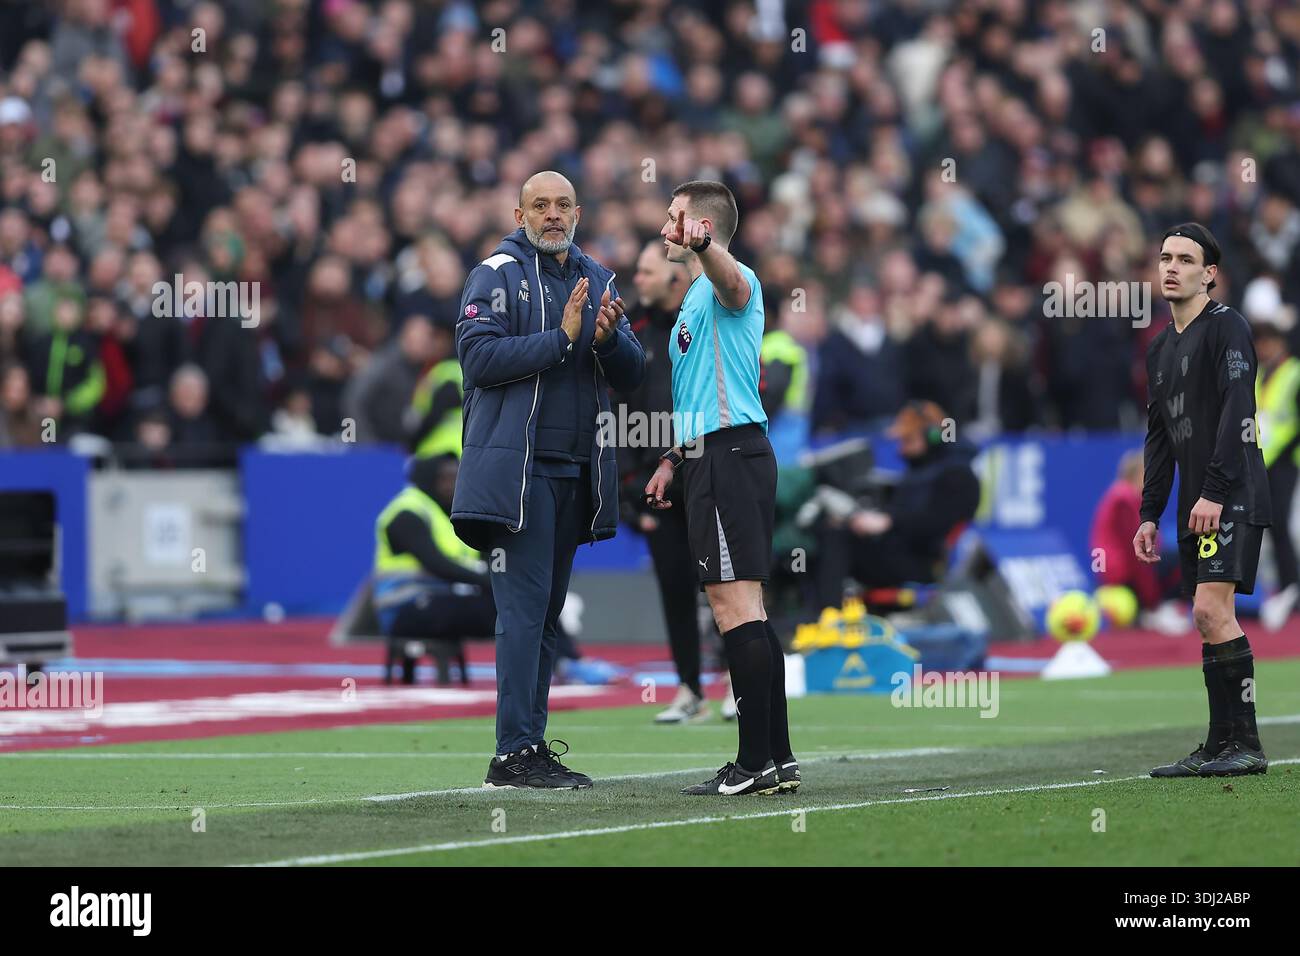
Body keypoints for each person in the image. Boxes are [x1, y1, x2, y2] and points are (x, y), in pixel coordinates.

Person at [451, 171, 645, 790]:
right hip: (518, 472)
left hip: (576, 469)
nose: (553, 215)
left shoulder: (600, 276)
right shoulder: (496, 273)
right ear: (520, 212)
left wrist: (610, 343)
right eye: (541, 206)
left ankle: (528, 747)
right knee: (524, 613)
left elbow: (634, 375)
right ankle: (513, 752)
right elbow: (477, 359)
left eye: (563, 205)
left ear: (578, 211)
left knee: (547, 616)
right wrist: (560, 340)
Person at [644, 180, 795, 796]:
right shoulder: (696, 300)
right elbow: (700, 398)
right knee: (750, 612)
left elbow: (736, 284)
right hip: (715, 454)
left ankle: (752, 762)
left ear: (702, 224)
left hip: (731, 457)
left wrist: (706, 247)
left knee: (733, 610)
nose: (664, 226)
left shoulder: (731, 281)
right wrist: (674, 459)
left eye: (674, 216)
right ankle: (777, 758)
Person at [1136, 223, 1270, 778]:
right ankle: (1221, 744)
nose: (1170, 267)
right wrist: (1149, 512)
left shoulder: (1227, 328)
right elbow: (1160, 435)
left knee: (1213, 610)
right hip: (1198, 502)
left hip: (1231, 491)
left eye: (1184, 259)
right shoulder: (1160, 349)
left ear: (1208, 274)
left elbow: (1241, 408)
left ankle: (1246, 745)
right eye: (1164, 257)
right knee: (1206, 616)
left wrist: (1215, 490)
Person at [614, 240, 708, 723]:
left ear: (675, 278)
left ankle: (738, 683)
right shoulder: (633, 331)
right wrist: (629, 483)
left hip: (709, 470)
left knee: (725, 585)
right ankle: (690, 688)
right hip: (658, 484)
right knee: (674, 586)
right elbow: (618, 408)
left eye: (647, 272)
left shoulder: (706, 316)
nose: (640, 280)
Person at [813, 401, 980, 608]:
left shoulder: (958, 475)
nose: (902, 448)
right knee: (828, 529)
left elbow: (935, 523)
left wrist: (888, 521)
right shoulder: (920, 471)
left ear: (933, 436)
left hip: (924, 563)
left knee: (838, 539)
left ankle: (827, 616)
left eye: (908, 440)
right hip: (900, 551)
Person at [373, 454, 494, 646]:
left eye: (457, 477)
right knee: (496, 610)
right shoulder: (407, 512)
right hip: (403, 605)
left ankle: (553, 661)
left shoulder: (446, 514)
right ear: (428, 478)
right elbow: (438, 565)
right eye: (445, 478)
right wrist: (493, 583)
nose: (452, 485)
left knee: (508, 606)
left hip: (443, 598)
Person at [1089, 449, 1187, 634]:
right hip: (1120, 576)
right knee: (1184, 560)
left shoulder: (1120, 495)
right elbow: (1136, 552)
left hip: (1116, 572)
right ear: (1141, 473)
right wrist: (1153, 603)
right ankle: (1157, 611)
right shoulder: (1124, 499)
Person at [1252, 316, 1300, 629]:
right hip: (1262, 459)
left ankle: (1290, 586)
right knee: (1270, 524)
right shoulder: (1259, 374)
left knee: (1284, 524)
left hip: (1288, 459)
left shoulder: (1294, 372)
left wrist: (1283, 449)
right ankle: (1283, 587)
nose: (1263, 348)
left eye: (1267, 342)